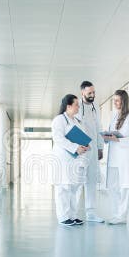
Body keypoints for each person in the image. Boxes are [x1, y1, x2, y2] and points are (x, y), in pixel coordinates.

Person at [51, 94, 90, 226]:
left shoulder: (77, 121)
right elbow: (58, 138)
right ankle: (63, 217)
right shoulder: (59, 120)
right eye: (76, 105)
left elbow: (83, 137)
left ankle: (72, 216)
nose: (79, 107)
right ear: (68, 106)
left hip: (77, 160)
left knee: (75, 188)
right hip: (64, 160)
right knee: (63, 188)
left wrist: (85, 145)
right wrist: (74, 148)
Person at [103, 90, 129, 225]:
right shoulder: (114, 117)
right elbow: (112, 136)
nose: (115, 103)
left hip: (124, 158)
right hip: (113, 158)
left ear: (124, 101)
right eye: (114, 100)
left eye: (118, 100)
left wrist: (119, 140)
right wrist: (106, 138)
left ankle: (122, 216)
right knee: (112, 187)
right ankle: (116, 214)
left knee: (125, 187)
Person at [75, 81, 105, 223]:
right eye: (89, 93)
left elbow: (99, 127)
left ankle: (91, 214)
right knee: (77, 181)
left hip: (93, 149)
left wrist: (100, 147)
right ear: (82, 93)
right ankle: (71, 213)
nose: (92, 95)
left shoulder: (95, 107)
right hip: (81, 149)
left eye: (94, 93)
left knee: (92, 181)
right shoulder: (76, 106)